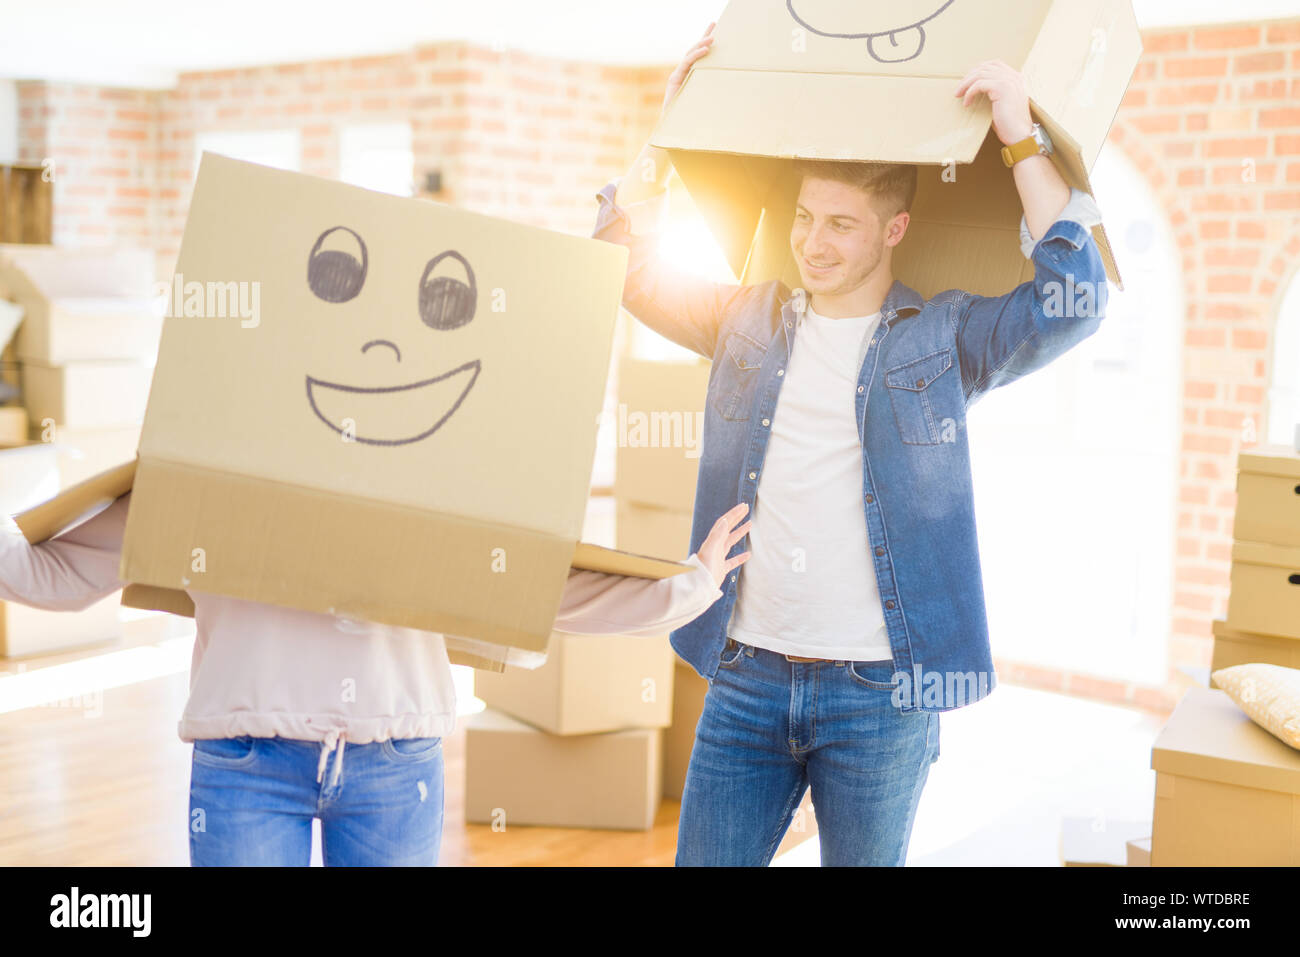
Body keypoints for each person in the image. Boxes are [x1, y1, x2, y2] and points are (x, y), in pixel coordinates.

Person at [591, 23, 1108, 866]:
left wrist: (1020, 138)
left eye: (840, 224)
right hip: (747, 675)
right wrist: (665, 128)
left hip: (879, 696)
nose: (811, 243)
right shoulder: (746, 319)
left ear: (896, 228)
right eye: (803, 218)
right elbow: (624, 265)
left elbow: (1074, 299)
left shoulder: (939, 338)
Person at [0, 491, 751, 866]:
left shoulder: (426, 471)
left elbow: (538, 593)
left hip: (396, 764)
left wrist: (688, 587)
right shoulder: (203, 469)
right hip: (243, 763)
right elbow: (55, 573)